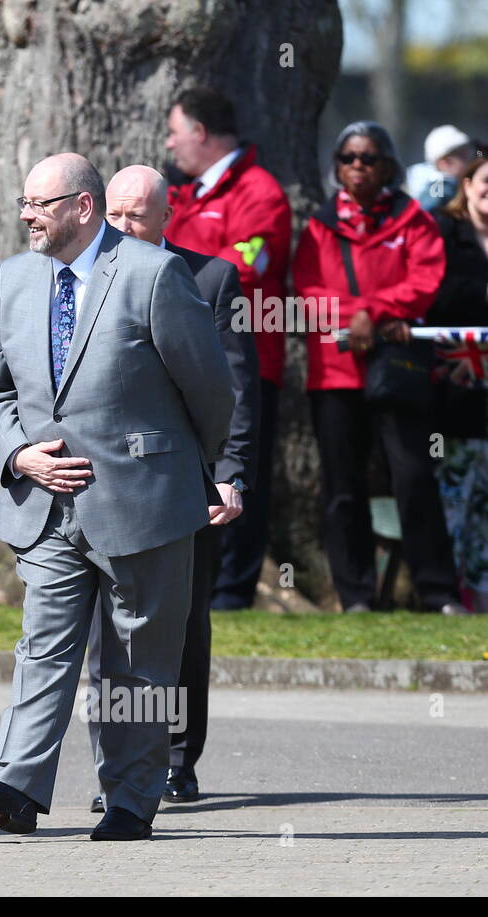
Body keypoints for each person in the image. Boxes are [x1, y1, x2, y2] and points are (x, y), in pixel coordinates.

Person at [0, 154, 233, 841]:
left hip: (144, 503)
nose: (26, 214)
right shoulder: (13, 278)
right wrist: (18, 452)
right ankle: (16, 786)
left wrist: (180, 467)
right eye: (24, 203)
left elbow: (211, 390)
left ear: (83, 207)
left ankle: (131, 797)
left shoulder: (153, 273)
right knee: (43, 646)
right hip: (44, 504)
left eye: (40, 203)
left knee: (135, 658)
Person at [88, 165, 259, 807]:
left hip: (184, 483)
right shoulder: (82, 277)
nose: (125, 228)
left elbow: (234, 388)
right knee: (109, 633)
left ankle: (174, 760)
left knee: (179, 626)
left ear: (168, 216)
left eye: (138, 216)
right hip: (102, 480)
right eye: (115, 215)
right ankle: (120, 768)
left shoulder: (210, 278)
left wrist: (228, 475)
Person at [293, 121, 464, 614]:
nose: (358, 167)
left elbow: (427, 278)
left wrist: (376, 312)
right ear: (337, 167)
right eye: (348, 157)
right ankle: (356, 597)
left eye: (368, 158)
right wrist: (363, 317)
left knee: (414, 478)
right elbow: (307, 293)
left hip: (397, 368)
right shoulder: (321, 226)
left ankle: (437, 591)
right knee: (342, 486)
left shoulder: (413, 219)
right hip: (335, 369)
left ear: (387, 165)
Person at [165, 86, 292, 611]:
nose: (169, 145)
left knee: (239, 470)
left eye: (175, 132)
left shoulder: (261, 193)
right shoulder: (182, 193)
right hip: (179, 362)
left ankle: (235, 590)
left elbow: (242, 266)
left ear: (199, 132)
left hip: (243, 357)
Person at [425, 153, 488, 611]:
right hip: (453, 392)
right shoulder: (444, 233)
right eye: (484, 181)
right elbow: (435, 295)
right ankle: (448, 594)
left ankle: (482, 593)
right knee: (452, 500)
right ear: (466, 183)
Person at [407, 125, 476, 213]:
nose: (471, 159)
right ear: (444, 163)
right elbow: (425, 213)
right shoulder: (439, 190)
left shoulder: (449, 187)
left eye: (470, 152)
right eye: (464, 155)